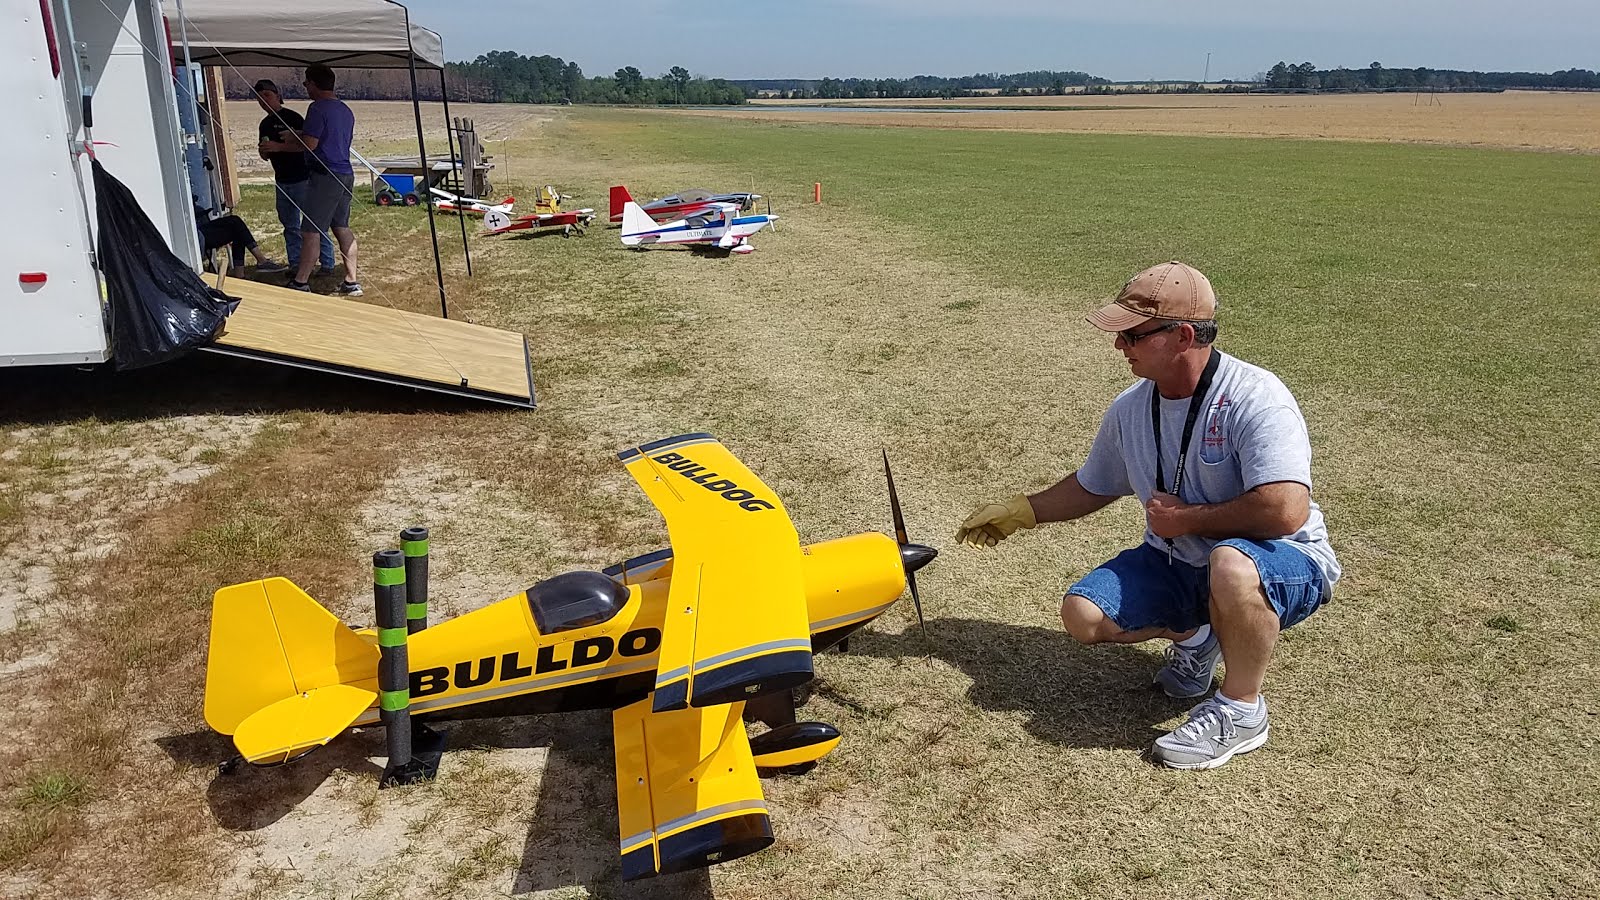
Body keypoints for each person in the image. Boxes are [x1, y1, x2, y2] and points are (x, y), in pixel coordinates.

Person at [954, 261, 1340, 770]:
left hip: (1282, 560)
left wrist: (1190, 520)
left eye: (1132, 335)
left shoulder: (1256, 398)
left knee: (1230, 564)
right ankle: (1198, 640)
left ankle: (1242, 709)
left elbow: (1286, 510)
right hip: (1177, 561)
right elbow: (1094, 485)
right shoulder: (1131, 407)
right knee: (1082, 615)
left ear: (1182, 335)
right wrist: (1022, 510)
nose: (1120, 347)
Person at [260, 64, 361, 296]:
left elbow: (311, 145)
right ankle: (351, 281)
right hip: (346, 173)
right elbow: (328, 139)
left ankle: (301, 281)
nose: (305, 87)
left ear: (314, 84)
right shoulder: (345, 110)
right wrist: (297, 135)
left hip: (325, 175)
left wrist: (283, 144)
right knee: (341, 227)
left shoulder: (317, 108)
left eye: (306, 83)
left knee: (311, 230)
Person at [254, 78, 335, 277]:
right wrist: (265, 151)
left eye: (267, 96)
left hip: (303, 178)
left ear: (278, 96)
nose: (263, 101)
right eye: (259, 98)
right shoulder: (265, 124)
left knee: (314, 223)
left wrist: (279, 147)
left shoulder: (293, 118)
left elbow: (306, 146)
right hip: (282, 180)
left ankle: (327, 263)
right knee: (289, 225)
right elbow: (265, 153)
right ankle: (295, 263)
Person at [194, 200, 284, 278]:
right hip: (196, 237)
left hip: (198, 229)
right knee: (236, 225)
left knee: (236, 225)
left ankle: (243, 273)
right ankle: (260, 262)